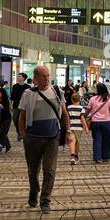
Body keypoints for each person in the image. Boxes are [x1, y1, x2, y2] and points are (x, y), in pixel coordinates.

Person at [19, 65, 69, 212]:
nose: (46, 79)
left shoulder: (57, 91)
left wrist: (68, 130)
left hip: (52, 137)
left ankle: (45, 200)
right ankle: (34, 190)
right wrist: (23, 134)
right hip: (32, 138)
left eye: (47, 75)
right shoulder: (28, 94)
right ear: (35, 78)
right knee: (32, 170)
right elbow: (21, 116)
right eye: (43, 76)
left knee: (50, 170)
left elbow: (64, 113)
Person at [86, 82, 110, 163]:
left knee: (97, 140)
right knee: (106, 140)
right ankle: (106, 156)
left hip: (95, 122)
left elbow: (88, 109)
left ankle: (97, 157)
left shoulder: (93, 99)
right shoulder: (109, 100)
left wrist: (85, 116)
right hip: (107, 122)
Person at [66, 91, 85, 164]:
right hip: (78, 128)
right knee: (77, 142)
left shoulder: (69, 107)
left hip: (70, 127)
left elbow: (67, 117)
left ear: (71, 100)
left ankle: (72, 156)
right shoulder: (81, 108)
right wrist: (86, 127)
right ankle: (76, 156)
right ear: (79, 100)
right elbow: (82, 118)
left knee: (71, 141)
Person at [10, 72, 30, 142]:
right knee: (15, 120)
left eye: (19, 76)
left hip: (24, 107)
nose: (18, 77)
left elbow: (29, 98)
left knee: (22, 120)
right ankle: (19, 132)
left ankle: (21, 134)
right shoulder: (15, 86)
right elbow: (12, 96)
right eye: (18, 76)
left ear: (23, 78)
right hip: (16, 105)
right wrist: (11, 104)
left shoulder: (27, 87)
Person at [0, 86, 13, 153]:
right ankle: (6, 145)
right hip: (0, 119)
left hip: (7, 118)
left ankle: (1, 146)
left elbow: (7, 110)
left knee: (3, 132)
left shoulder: (6, 101)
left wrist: (2, 107)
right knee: (2, 132)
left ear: (2, 93)